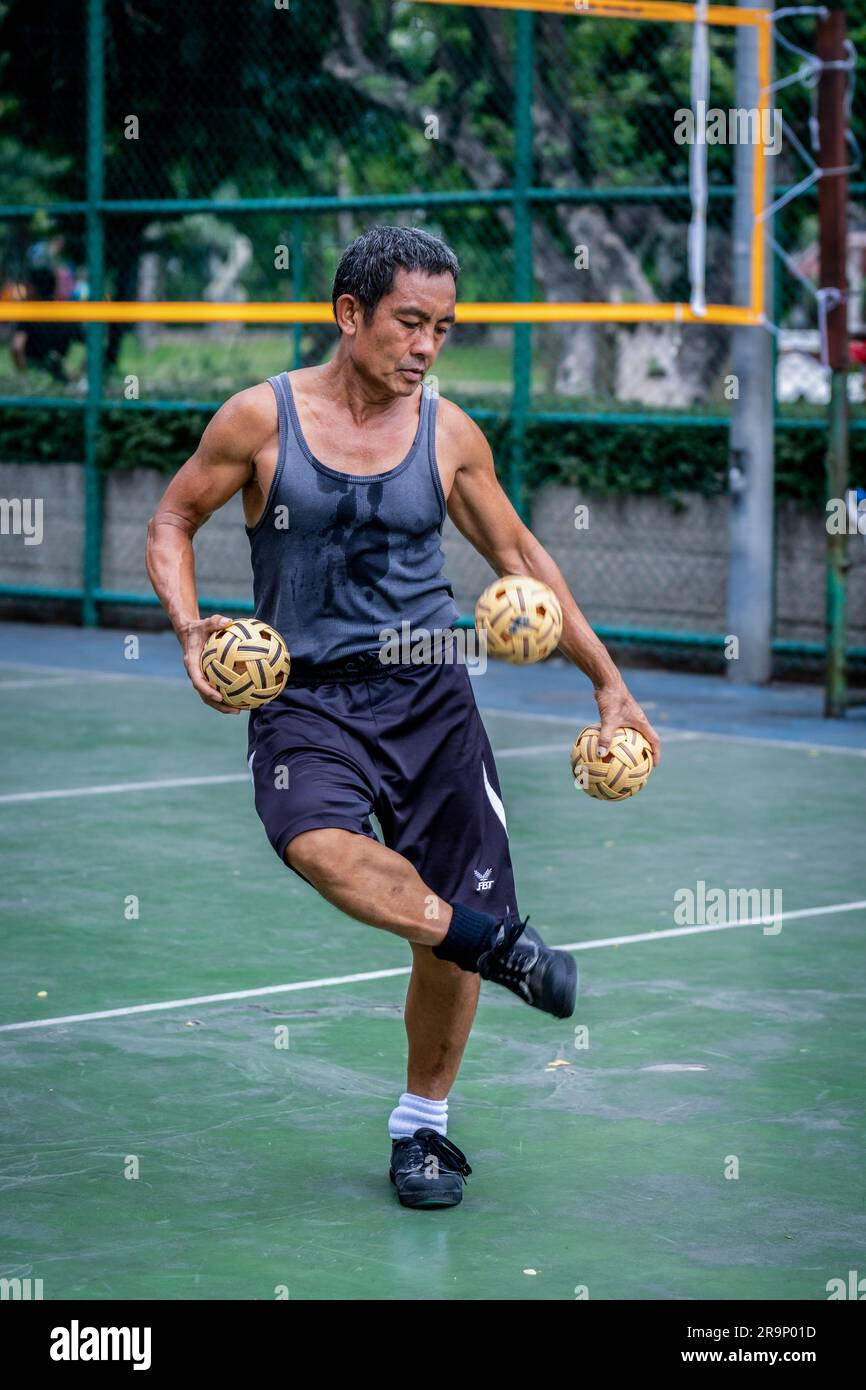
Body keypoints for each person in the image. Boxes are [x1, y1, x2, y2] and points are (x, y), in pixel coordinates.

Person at [146, 225, 661, 1209]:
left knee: (442, 925)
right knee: (314, 843)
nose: (426, 345)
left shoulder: (447, 432)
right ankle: (495, 942)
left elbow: (521, 560)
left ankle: (422, 1128)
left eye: (443, 327)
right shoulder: (260, 421)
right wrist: (183, 629)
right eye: (408, 323)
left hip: (429, 694)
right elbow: (173, 519)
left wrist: (606, 681)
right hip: (304, 695)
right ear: (350, 315)